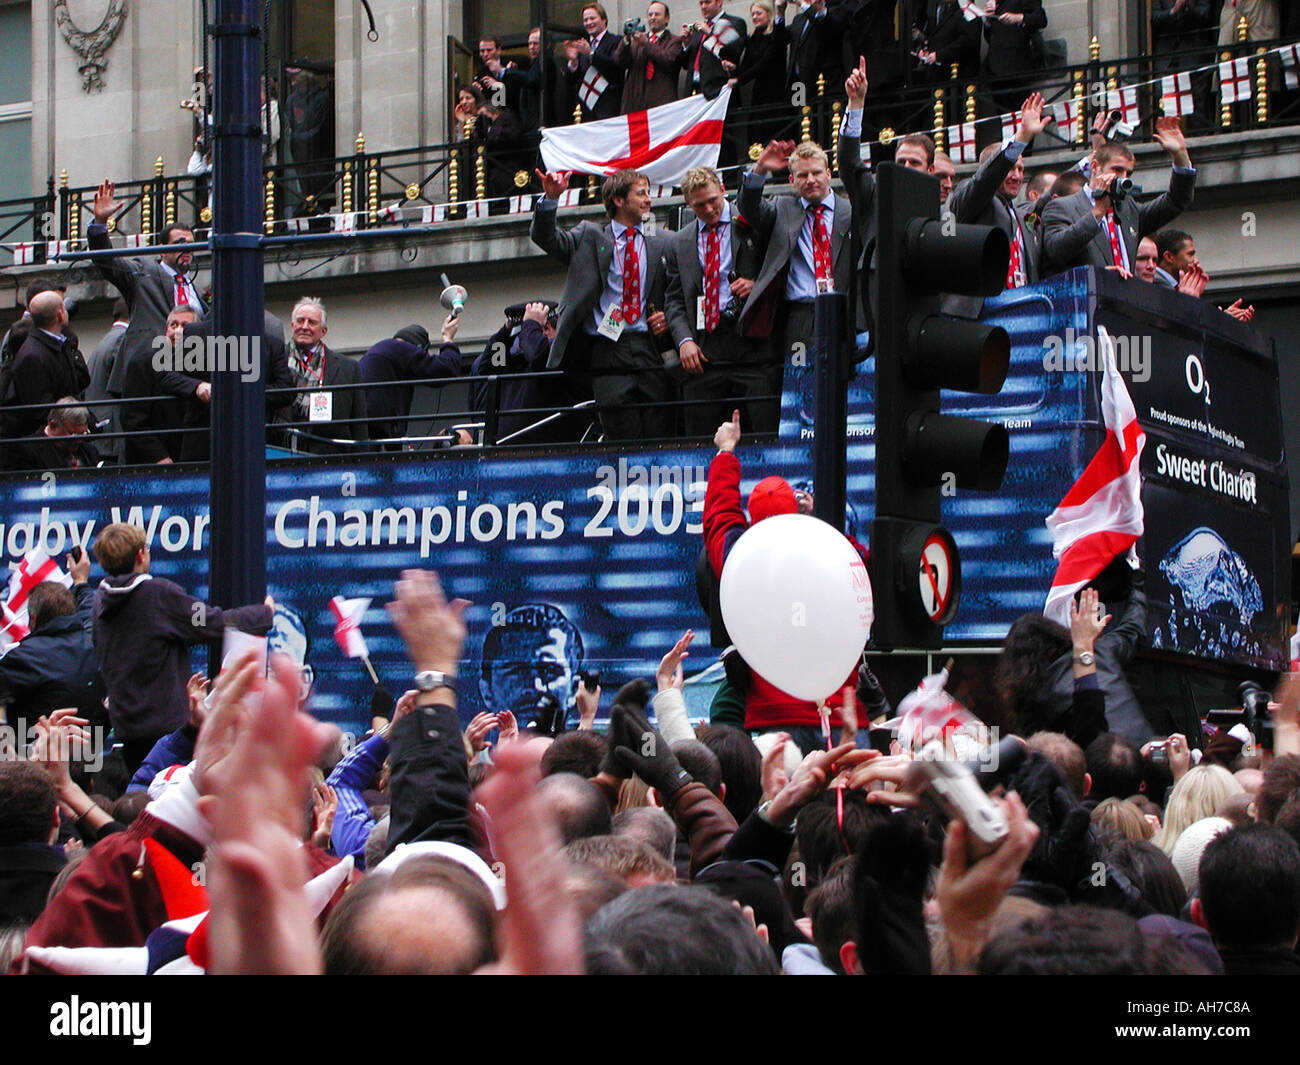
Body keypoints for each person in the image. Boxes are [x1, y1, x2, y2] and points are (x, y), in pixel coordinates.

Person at [90, 522, 273, 771]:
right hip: (168, 733)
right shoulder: (159, 595)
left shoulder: (99, 602)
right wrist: (262, 614)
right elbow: (211, 621)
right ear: (140, 555)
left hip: (126, 730)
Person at [531, 167, 675, 442]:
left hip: (651, 345)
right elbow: (545, 238)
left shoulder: (664, 240)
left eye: (649, 193)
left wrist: (667, 316)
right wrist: (550, 200)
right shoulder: (589, 236)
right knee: (620, 431)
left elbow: (680, 288)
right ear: (619, 200)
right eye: (641, 193)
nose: (649, 200)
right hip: (608, 346)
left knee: (660, 429)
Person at [664, 166, 775, 436]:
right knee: (700, 439)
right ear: (689, 204)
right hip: (705, 350)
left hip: (752, 344)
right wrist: (684, 340)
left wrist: (757, 286)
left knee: (764, 430)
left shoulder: (752, 220)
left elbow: (781, 266)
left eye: (713, 201)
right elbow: (674, 299)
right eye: (700, 205)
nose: (709, 209)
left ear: (723, 189)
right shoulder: (681, 241)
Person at [87, 180, 207, 407]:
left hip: (188, 382)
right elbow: (108, 262)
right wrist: (100, 223)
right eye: (179, 243)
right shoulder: (143, 273)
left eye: (190, 243)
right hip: (149, 381)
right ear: (162, 250)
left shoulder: (196, 291)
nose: (187, 248)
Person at [738, 138, 853, 372]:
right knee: (801, 388)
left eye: (816, 173)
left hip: (846, 313)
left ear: (829, 174)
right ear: (791, 180)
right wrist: (760, 168)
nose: (810, 180)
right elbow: (749, 208)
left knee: (850, 387)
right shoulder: (783, 209)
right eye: (802, 176)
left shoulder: (851, 211)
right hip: (800, 317)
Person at [1040, 120, 1196, 278]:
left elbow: (1176, 201)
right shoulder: (1062, 206)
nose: (1123, 178)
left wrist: (1180, 154)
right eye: (1117, 170)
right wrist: (1097, 212)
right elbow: (1056, 251)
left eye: (1128, 173)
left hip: (1125, 299)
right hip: (1085, 298)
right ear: (1095, 167)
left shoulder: (1129, 209)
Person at [945, 92, 1051, 315]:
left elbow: (1057, 192)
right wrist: (1021, 138)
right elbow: (985, 181)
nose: (1016, 176)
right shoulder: (971, 196)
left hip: (1024, 311)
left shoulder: (1021, 215)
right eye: (1010, 168)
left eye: (1021, 169)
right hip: (983, 315)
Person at [0, 550, 103, 723]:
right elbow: (88, 610)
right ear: (71, 611)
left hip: (36, 746)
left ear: (33, 619)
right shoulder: (94, 639)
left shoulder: (22, 659)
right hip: (92, 743)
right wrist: (80, 581)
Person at [469, 301, 591, 445]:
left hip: (556, 450)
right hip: (509, 452)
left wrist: (532, 324)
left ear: (546, 328)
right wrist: (507, 329)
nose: (521, 339)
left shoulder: (563, 351)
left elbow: (539, 356)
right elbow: (487, 367)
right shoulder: (515, 359)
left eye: (526, 332)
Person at [272, 297, 368, 454]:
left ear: (323, 331)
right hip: (277, 452)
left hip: (327, 457)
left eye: (312, 322)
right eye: (300, 321)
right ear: (292, 325)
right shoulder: (273, 360)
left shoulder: (348, 368)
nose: (304, 327)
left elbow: (359, 427)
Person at [478, 603, 585, 736]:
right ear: (487, 691)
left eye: (549, 671)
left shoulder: (595, 755)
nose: (535, 686)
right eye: (518, 671)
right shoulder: (464, 756)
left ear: (574, 689)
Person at [0, 291, 89, 443]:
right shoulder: (32, 355)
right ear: (60, 315)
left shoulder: (58, 344)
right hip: (44, 444)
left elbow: (80, 381)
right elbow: (40, 409)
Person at [360, 320, 463, 446]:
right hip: (378, 428)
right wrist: (448, 339)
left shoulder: (383, 351)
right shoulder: (400, 349)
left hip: (365, 427)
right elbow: (446, 368)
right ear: (417, 347)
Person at [117, 303, 198, 464]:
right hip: (154, 461)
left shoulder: (203, 362)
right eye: (173, 325)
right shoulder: (143, 362)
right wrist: (158, 456)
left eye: (184, 325)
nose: (177, 330)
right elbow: (132, 417)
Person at [981, 0, 1048, 116]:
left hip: (1016, 66)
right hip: (995, 68)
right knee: (1003, 116)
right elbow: (991, 36)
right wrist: (987, 20)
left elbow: (1040, 19)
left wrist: (1019, 18)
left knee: (1019, 113)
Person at [85, 298, 129, 463]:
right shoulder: (122, 338)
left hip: (101, 422)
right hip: (112, 427)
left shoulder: (106, 339)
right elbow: (124, 381)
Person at [0, 400, 99, 473]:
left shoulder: (89, 451)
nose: (79, 440)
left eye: (83, 433)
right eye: (73, 434)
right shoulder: (26, 451)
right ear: (53, 426)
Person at [616, 2, 682, 111]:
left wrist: (646, 44)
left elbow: (669, 60)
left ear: (667, 18)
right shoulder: (636, 42)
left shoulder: (675, 41)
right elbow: (620, 61)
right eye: (650, 15)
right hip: (635, 105)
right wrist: (626, 40)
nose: (653, 18)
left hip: (661, 105)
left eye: (657, 14)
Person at [565, 4, 625, 121]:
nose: (588, 22)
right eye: (585, 20)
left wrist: (591, 54)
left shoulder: (616, 41)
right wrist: (573, 62)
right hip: (586, 111)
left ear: (604, 19)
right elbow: (573, 81)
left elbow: (615, 69)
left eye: (592, 18)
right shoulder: (583, 45)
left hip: (608, 108)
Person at [681, 0, 748, 100]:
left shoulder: (735, 23)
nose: (703, 6)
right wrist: (686, 44)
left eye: (707, 2)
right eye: (701, 3)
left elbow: (734, 54)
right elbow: (686, 65)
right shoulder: (697, 29)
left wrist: (711, 33)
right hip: (694, 92)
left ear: (719, 2)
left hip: (718, 92)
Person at [913, 0, 982, 83]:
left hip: (958, 76)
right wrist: (926, 51)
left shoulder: (969, 10)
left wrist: (938, 55)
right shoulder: (938, 8)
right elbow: (935, 36)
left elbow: (968, 41)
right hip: (938, 75)